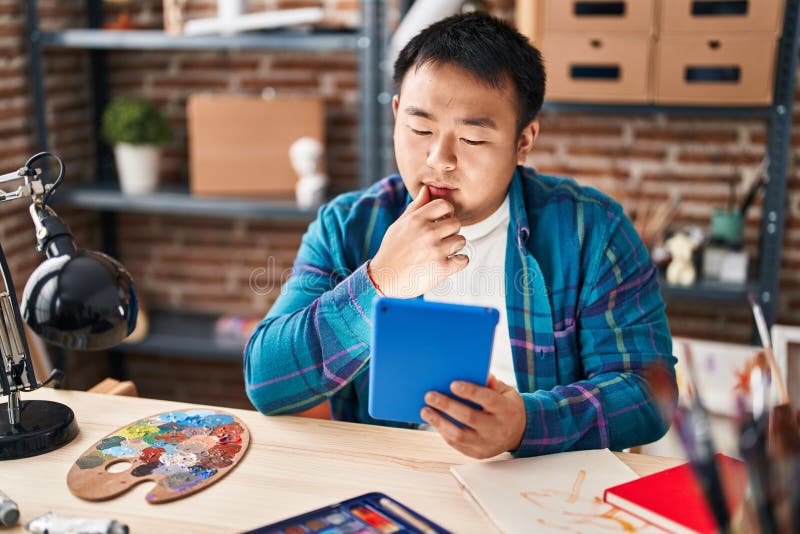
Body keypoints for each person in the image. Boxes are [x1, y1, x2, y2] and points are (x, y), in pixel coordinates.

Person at [244, 12, 677, 459]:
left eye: (472, 139)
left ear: (523, 141)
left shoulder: (593, 231)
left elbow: (648, 393)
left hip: (538, 491)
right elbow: (267, 384)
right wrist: (379, 281)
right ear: (396, 116)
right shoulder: (347, 225)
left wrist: (526, 424)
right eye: (419, 129)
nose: (439, 159)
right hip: (391, 485)